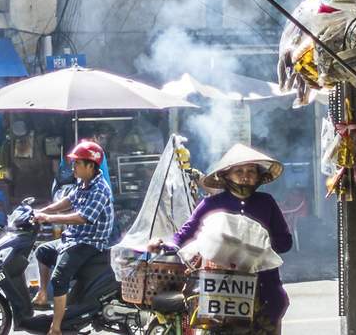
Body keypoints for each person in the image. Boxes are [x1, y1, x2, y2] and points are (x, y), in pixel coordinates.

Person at [148, 143, 293, 334]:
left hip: (264, 290)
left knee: (271, 315)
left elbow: (285, 242)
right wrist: (165, 244)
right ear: (226, 175)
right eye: (239, 171)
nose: (245, 175)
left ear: (259, 176)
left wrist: (257, 246)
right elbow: (185, 233)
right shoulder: (211, 204)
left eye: (251, 171)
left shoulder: (266, 203)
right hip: (220, 293)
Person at [31, 139, 115, 335]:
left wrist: (49, 218)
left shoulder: (100, 189)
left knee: (59, 277)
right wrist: (41, 211)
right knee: (42, 251)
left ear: (90, 166)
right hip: (73, 238)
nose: (73, 167)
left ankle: (56, 327)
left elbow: (82, 217)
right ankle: (42, 295)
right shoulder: (83, 183)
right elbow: (67, 201)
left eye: (77, 163)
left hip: (90, 243)